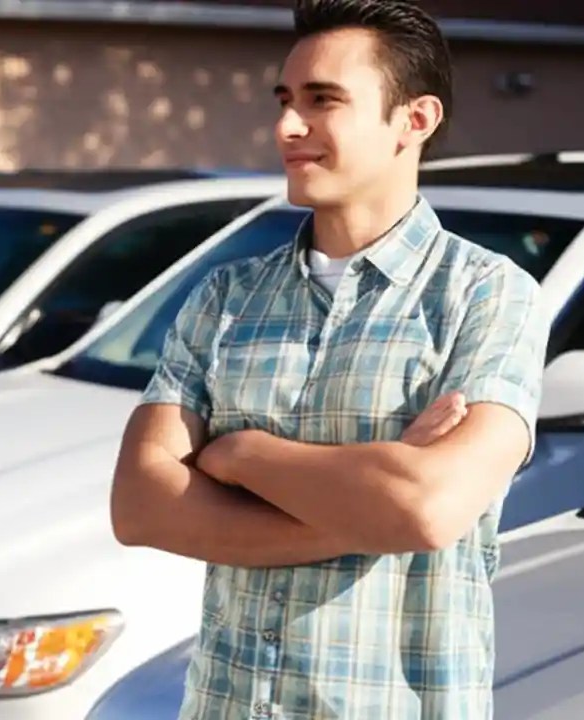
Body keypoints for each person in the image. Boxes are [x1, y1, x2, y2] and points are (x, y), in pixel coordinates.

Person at [108, 0, 550, 718]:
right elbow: (140, 506)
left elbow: (428, 507)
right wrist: (372, 496)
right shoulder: (227, 297)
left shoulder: (488, 296)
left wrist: (242, 454)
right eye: (285, 101)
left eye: (323, 101)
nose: (287, 127)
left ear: (415, 120)